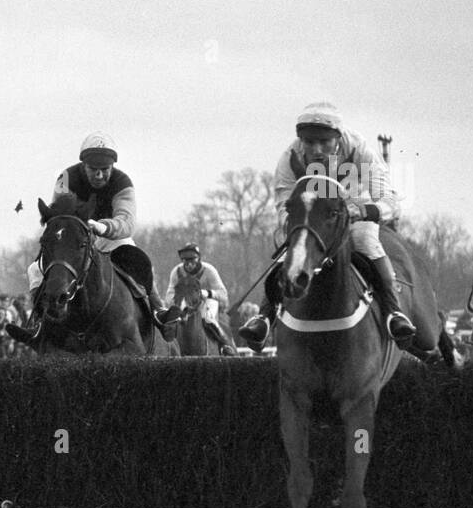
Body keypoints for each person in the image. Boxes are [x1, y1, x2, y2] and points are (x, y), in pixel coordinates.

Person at [238, 102, 416, 347]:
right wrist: (295, 229)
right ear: (301, 140)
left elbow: (390, 201)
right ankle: (265, 316)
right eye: (310, 142)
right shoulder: (289, 159)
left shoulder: (361, 152)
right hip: (312, 216)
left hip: (355, 205)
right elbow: (283, 206)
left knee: (364, 239)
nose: (317, 150)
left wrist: (363, 211)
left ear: (339, 138)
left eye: (324, 142)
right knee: (287, 242)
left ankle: (393, 312)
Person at [8, 132, 177, 344]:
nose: (99, 175)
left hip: (109, 236)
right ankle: (39, 324)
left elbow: (126, 221)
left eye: (104, 170)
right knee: (34, 269)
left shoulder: (122, 182)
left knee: (135, 255)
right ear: (83, 165)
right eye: (93, 170)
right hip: (77, 239)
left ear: (112, 167)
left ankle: (158, 311)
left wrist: (102, 227)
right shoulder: (66, 177)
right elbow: (60, 214)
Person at [165, 242, 237, 354]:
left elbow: (223, 295)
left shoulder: (209, 271)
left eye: (192, 261)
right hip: (184, 301)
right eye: (185, 261)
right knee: (171, 321)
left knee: (208, 318)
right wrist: (174, 304)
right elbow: (169, 294)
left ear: (198, 259)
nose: (189, 265)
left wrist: (208, 293)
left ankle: (225, 346)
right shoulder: (176, 272)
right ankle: (166, 348)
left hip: (206, 302)